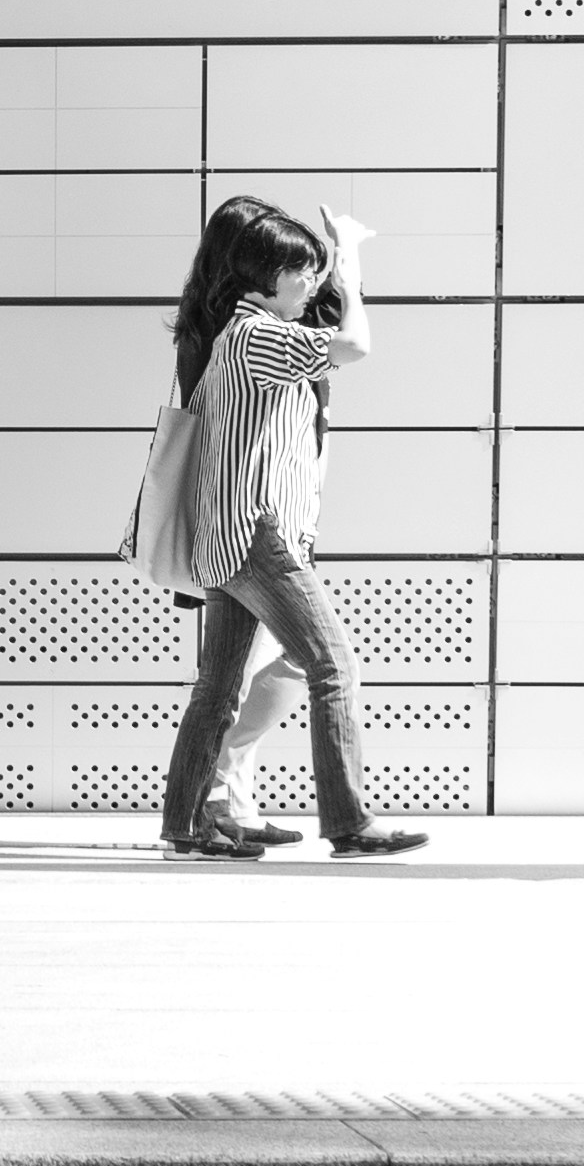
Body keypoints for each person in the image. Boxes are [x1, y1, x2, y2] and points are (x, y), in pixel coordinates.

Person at [157, 194, 426, 864]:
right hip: (258, 538)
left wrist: (335, 263)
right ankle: (349, 823)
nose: (311, 281)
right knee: (332, 666)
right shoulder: (255, 336)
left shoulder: (231, 336)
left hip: (226, 543)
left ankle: (184, 832)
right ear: (258, 278)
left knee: (217, 689)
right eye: (301, 270)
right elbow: (353, 344)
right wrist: (351, 266)